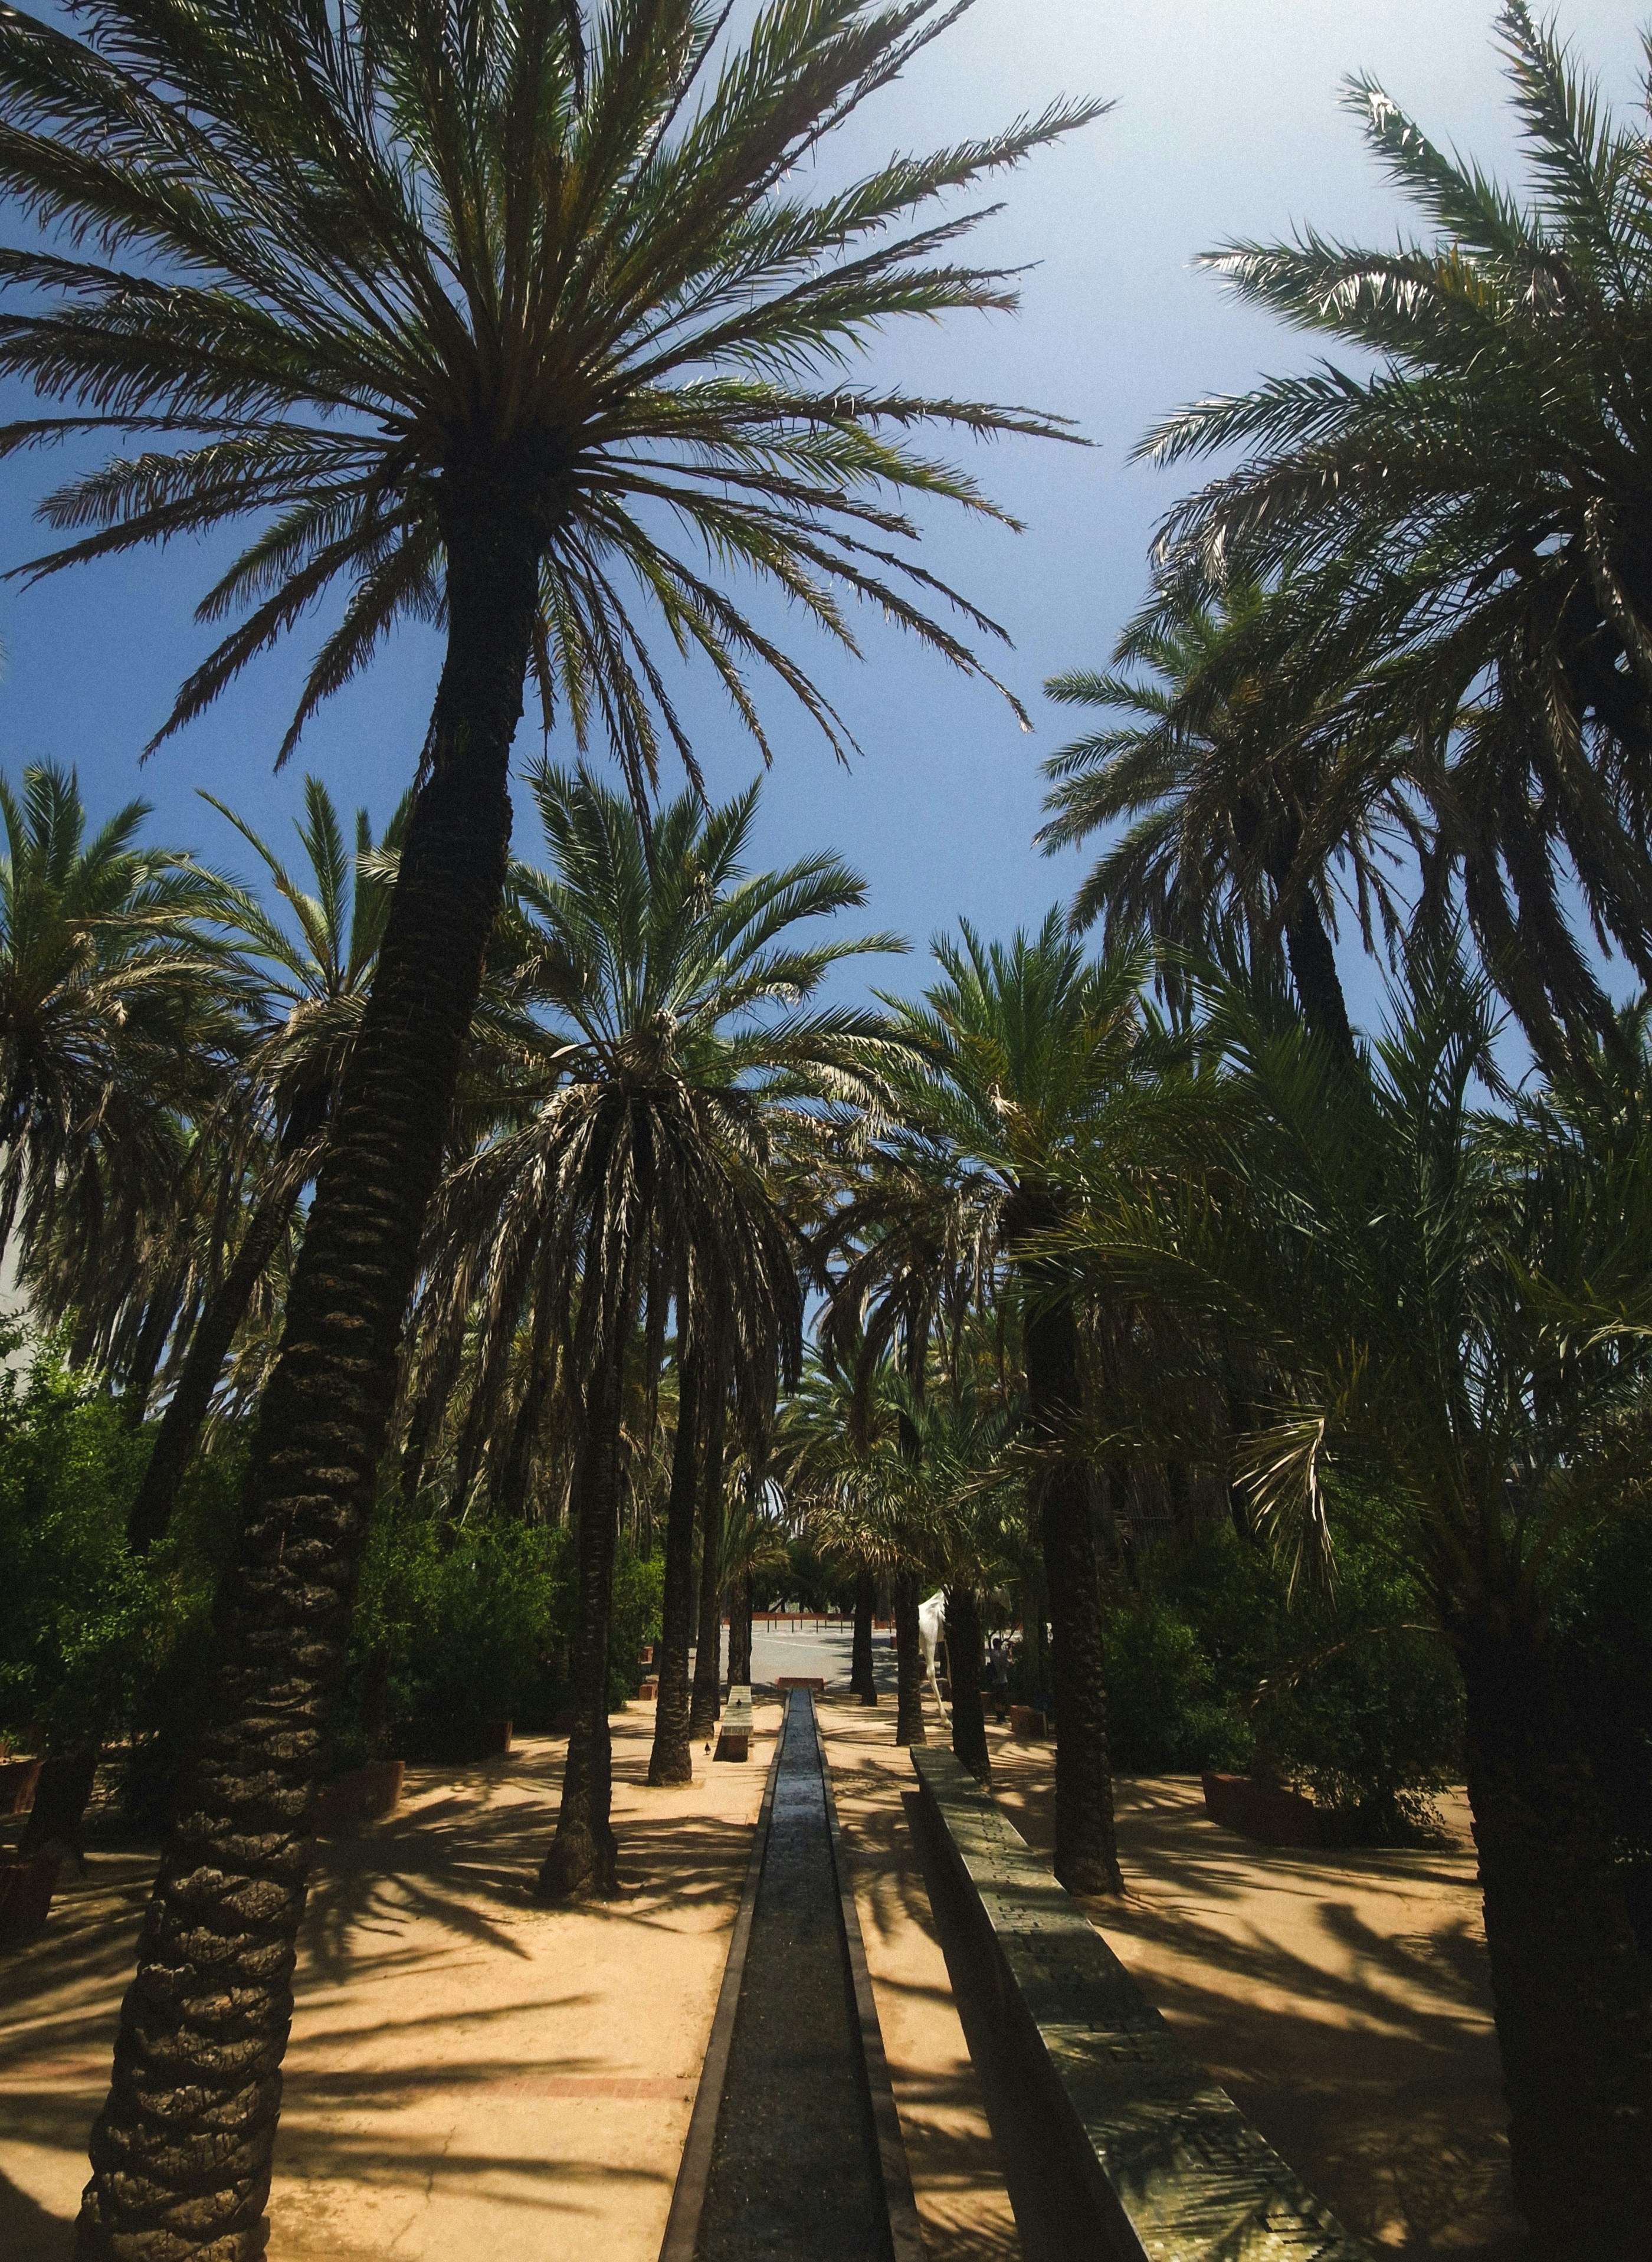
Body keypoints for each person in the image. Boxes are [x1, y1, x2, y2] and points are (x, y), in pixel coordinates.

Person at [988, 1637, 1010, 1725]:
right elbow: (1006, 1662)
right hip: (1002, 1680)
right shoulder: (999, 1654)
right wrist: (1009, 1651)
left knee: (998, 1700)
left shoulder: (992, 1654)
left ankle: (999, 1717)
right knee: (1003, 1700)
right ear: (998, 1645)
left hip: (995, 1680)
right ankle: (1002, 1717)